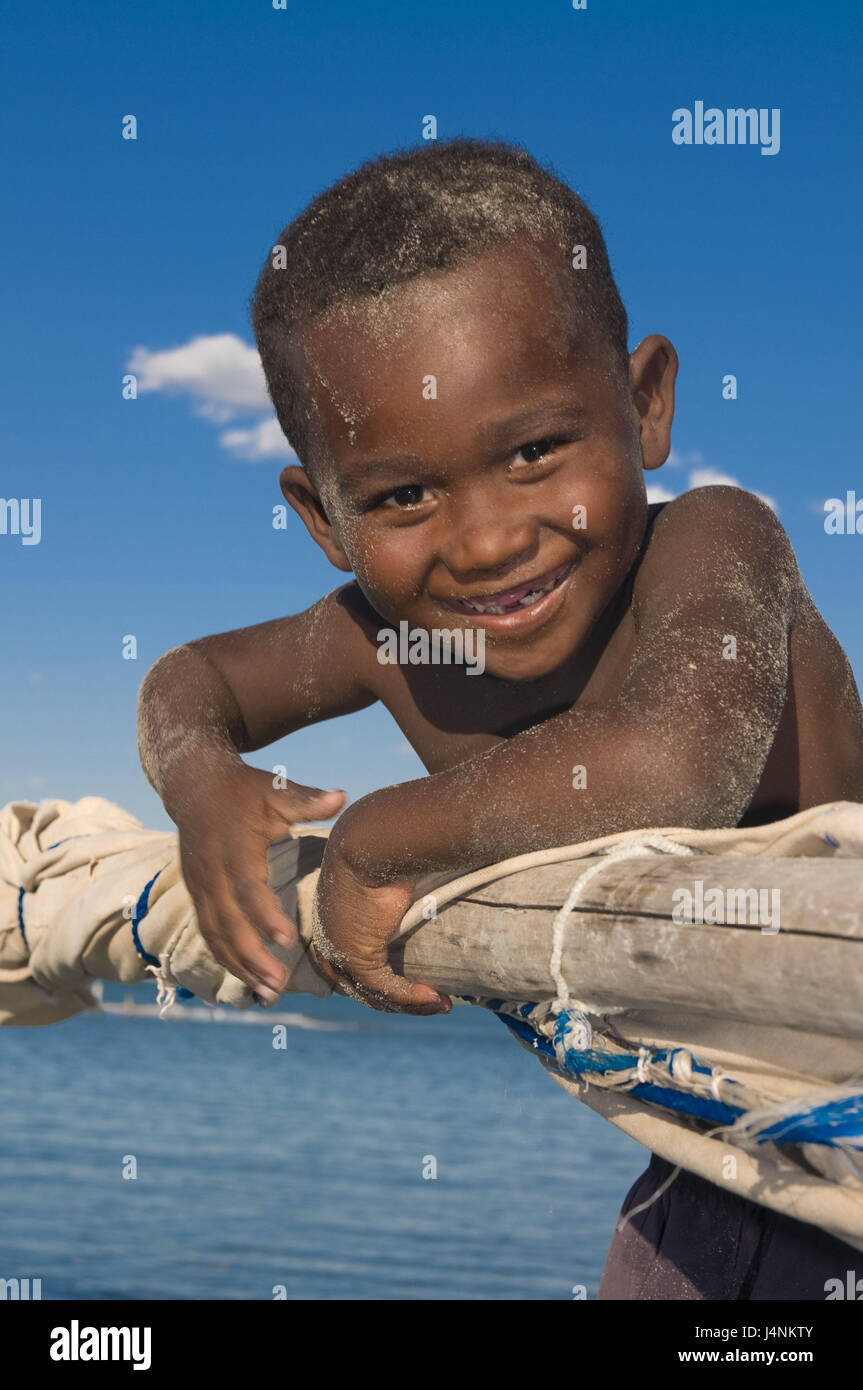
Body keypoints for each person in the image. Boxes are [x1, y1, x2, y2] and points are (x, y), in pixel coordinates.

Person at [137, 137, 863, 1298]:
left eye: (533, 451)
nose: (484, 541)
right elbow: (190, 680)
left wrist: (377, 839)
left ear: (644, 402)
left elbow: (667, 765)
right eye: (401, 495)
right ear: (323, 520)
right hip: (706, 1172)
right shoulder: (383, 636)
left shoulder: (717, 546)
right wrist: (199, 777)